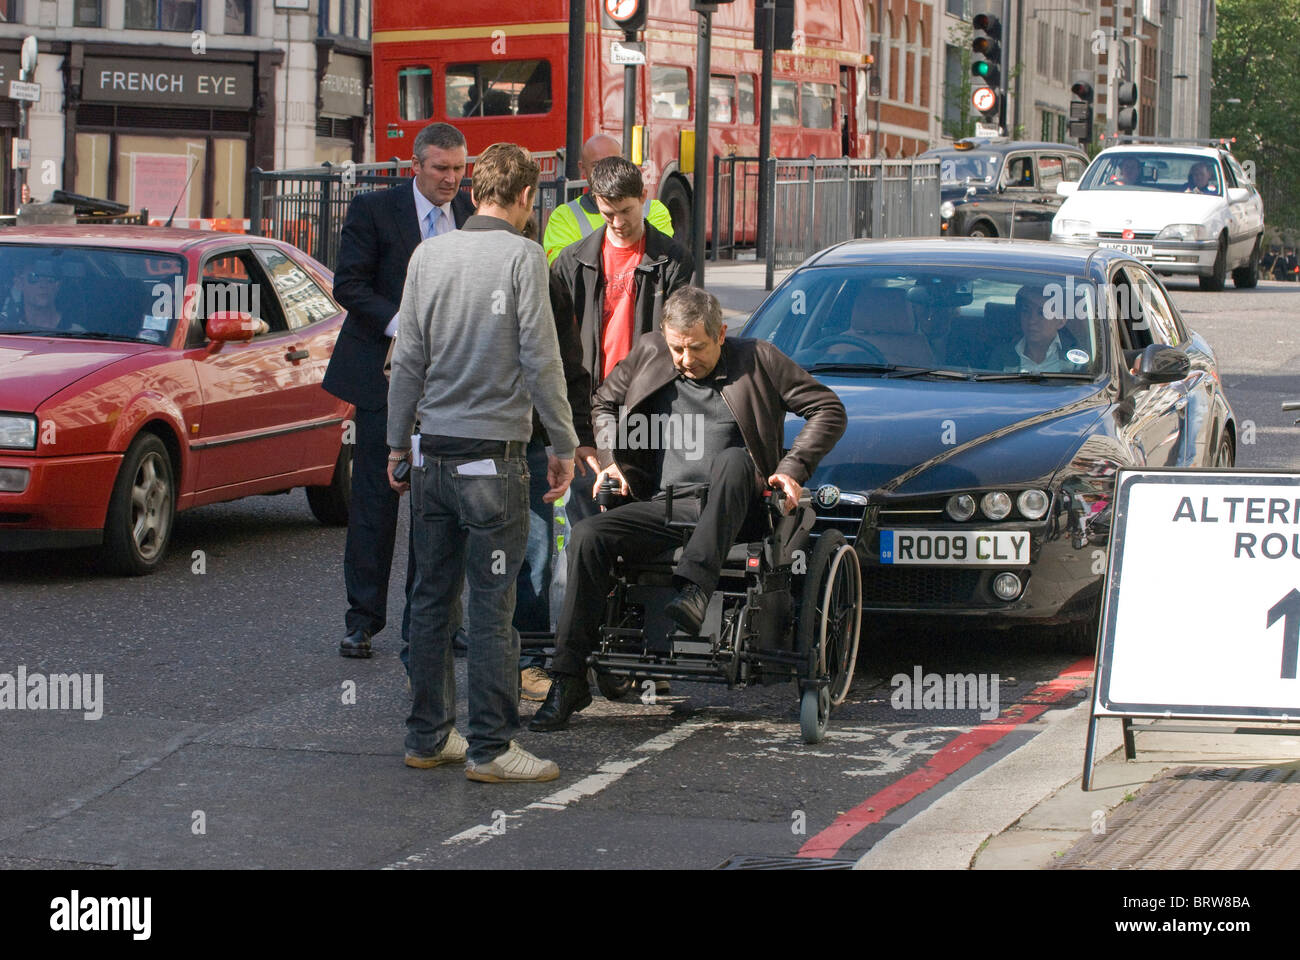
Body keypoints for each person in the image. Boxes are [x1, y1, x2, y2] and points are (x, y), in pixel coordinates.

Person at [530, 287, 847, 732]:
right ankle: (567, 680)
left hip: (738, 510)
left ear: (721, 334)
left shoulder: (760, 358)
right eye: (676, 347)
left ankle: (695, 588)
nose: (684, 358)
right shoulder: (649, 353)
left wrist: (792, 468)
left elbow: (828, 408)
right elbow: (603, 401)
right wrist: (611, 461)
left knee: (736, 460)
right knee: (588, 536)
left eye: (696, 347)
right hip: (664, 506)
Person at [388, 142, 577, 782]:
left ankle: (427, 735)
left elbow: (407, 357)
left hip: (432, 456)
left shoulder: (428, 255)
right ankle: (492, 748)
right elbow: (541, 360)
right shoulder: (524, 256)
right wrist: (564, 444)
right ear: (526, 198)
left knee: (430, 601)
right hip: (493, 462)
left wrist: (395, 442)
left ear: (472, 193)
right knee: (493, 608)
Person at [530, 155, 693, 702]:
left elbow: (674, 351)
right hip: (587, 418)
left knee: (648, 544)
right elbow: (559, 356)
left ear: (643, 198)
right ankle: (574, 660)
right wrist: (575, 432)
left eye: (625, 210)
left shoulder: (671, 261)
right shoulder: (571, 262)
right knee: (578, 541)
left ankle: (649, 659)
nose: (617, 222)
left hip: (646, 419)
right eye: (607, 212)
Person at [322, 122, 472, 661]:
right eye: (441, 169)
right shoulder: (375, 210)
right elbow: (349, 286)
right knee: (375, 502)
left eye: (459, 168)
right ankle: (362, 621)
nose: (452, 179)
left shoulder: (473, 216)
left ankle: (432, 620)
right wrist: (404, 325)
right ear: (416, 166)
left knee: (441, 507)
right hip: (383, 375)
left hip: (452, 383)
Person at [542, 133, 674, 266]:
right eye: (596, 165)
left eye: (626, 210)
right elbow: (560, 269)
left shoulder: (654, 210)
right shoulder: (564, 216)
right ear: (582, 168)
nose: (606, 171)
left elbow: (663, 257)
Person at [989, 284, 1086, 374]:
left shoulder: (1078, 357)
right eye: (1026, 310)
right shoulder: (1001, 355)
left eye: (1042, 313)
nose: (1032, 320)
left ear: (1061, 321)